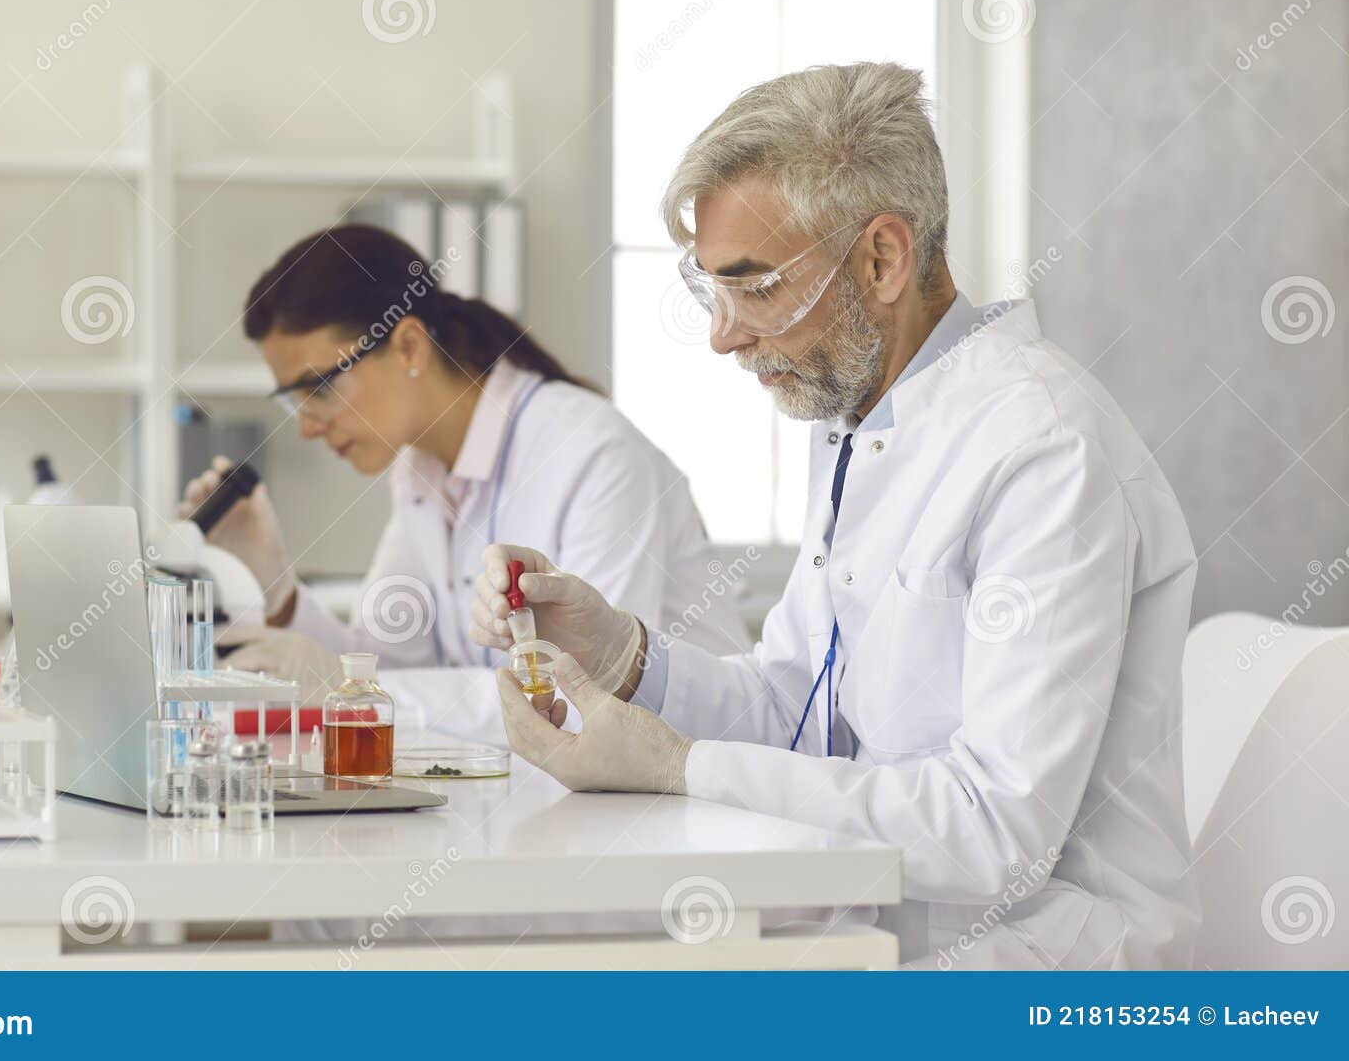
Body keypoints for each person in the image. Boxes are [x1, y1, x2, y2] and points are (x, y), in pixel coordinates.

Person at [471, 63, 1199, 969]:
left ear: (883, 259)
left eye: (757, 286)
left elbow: (994, 831)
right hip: (871, 930)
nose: (724, 335)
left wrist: (675, 766)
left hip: (1047, 966)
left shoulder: (1044, 449)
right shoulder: (859, 418)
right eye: (713, 289)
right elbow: (798, 708)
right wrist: (623, 656)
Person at [182, 224, 748, 739]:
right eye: (292, 402)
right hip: (566, 793)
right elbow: (390, 666)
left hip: (693, 795)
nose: (306, 426)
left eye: (320, 389)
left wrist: (343, 686)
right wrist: (274, 587)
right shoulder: (420, 473)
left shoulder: (591, 453)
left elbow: (583, 699)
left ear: (407, 345)